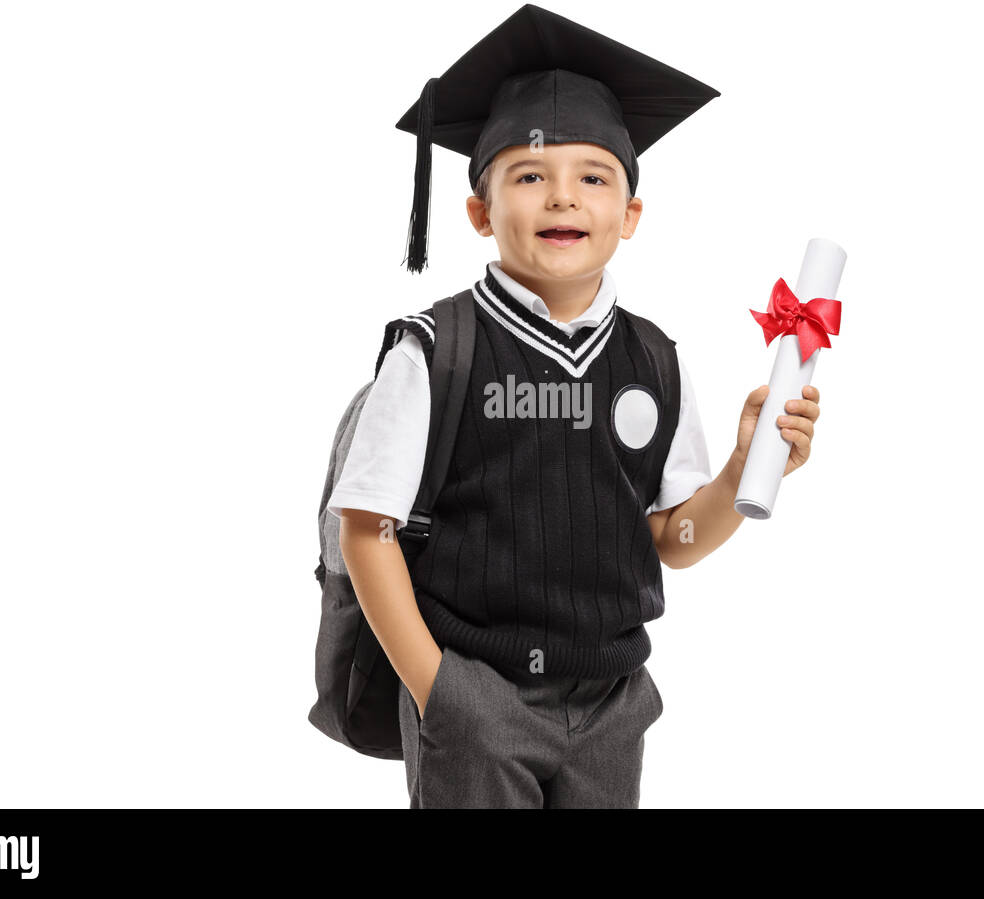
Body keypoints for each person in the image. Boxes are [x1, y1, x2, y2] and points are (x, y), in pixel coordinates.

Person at [326, 3, 822, 808]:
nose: (563, 197)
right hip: (476, 691)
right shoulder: (434, 350)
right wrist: (442, 691)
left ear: (628, 216)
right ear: (481, 211)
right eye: (529, 175)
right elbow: (365, 527)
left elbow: (673, 537)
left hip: (611, 704)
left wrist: (741, 467)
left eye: (594, 177)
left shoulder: (652, 358)